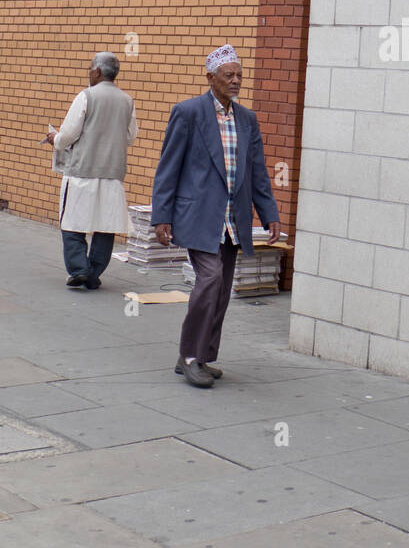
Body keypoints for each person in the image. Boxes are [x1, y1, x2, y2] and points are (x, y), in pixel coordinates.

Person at [151, 44, 280, 388]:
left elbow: (257, 170)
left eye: (239, 75)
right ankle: (189, 356)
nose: (236, 80)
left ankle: (203, 357)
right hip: (199, 216)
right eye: (229, 75)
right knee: (209, 281)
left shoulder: (247, 119)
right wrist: (161, 217)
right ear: (210, 78)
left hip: (233, 220)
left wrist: (269, 214)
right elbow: (168, 167)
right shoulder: (188, 113)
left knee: (222, 290)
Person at [46, 52, 138, 289]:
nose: (88, 72)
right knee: (105, 224)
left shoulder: (86, 96)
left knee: (72, 222)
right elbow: (130, 137)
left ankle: (79, 270)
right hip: (112, 173)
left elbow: (68, 134)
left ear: (97, 71)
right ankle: (94, 272)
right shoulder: (127, 101)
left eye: (90, 68)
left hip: (82, 171)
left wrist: (55, 138)